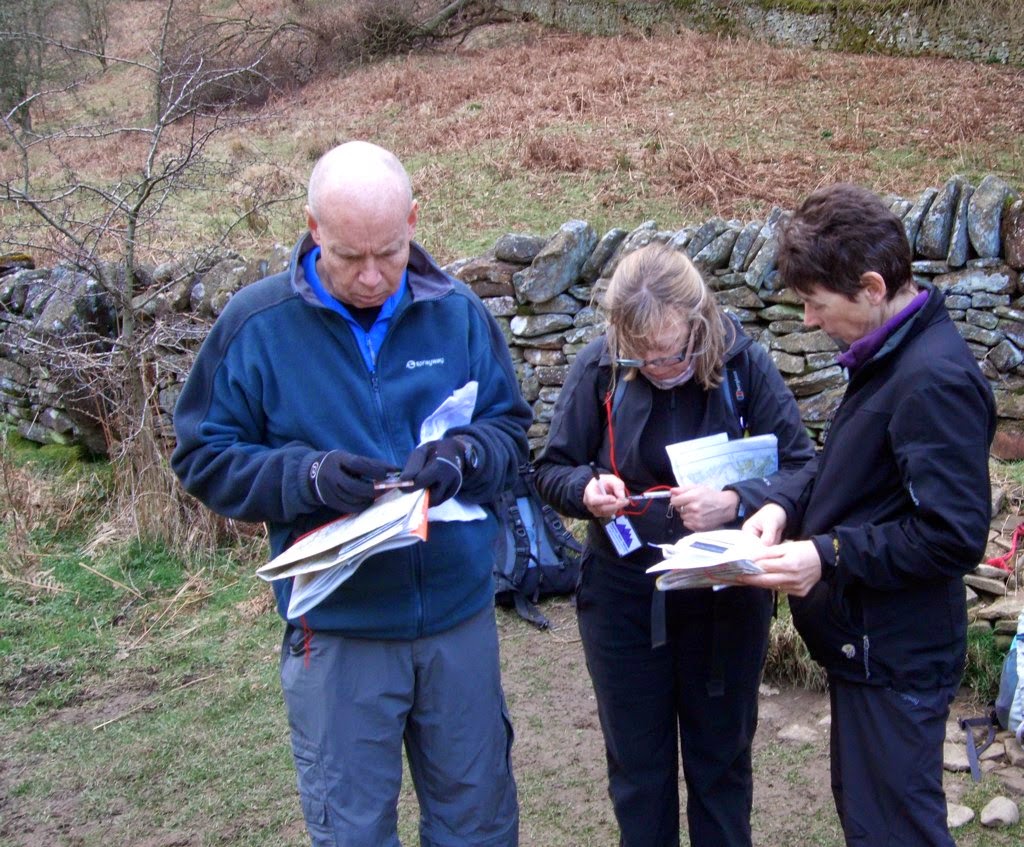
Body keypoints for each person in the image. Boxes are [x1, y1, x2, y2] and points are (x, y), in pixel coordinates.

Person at [171, 140, 529, 847]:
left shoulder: (458, 314)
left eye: (389, 253)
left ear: (415, 221)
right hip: (338, 629)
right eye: (348, 256)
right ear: (311, 229)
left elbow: (510, 432)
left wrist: (463, 457)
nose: (371, 276)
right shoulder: (257, 326)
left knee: (478, 825)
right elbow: (203, 454)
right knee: (353, 832)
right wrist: (304, 478)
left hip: (457, 619)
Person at [736, 183, 996, 847]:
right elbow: (852, 470)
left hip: (897, 656)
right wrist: (781, 505)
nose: (811, 322)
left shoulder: (932, 379)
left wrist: (826, 554)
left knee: (896, 832)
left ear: (872, 285)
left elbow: (953, 535)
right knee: (871, 822)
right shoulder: (887, 356)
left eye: (817, 305)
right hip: (868, 650)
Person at [533, 243, 815, 847]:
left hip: (725, 598)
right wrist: (587, 490)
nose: (660, 368)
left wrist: (737, 501)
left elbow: (802, 467)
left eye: (673, 353)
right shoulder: (602, 366)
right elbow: (551, 468)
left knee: (721, 765)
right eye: (645, 358)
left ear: (699, 318)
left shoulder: (745, 367)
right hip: (623, 601)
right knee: (639, 771)